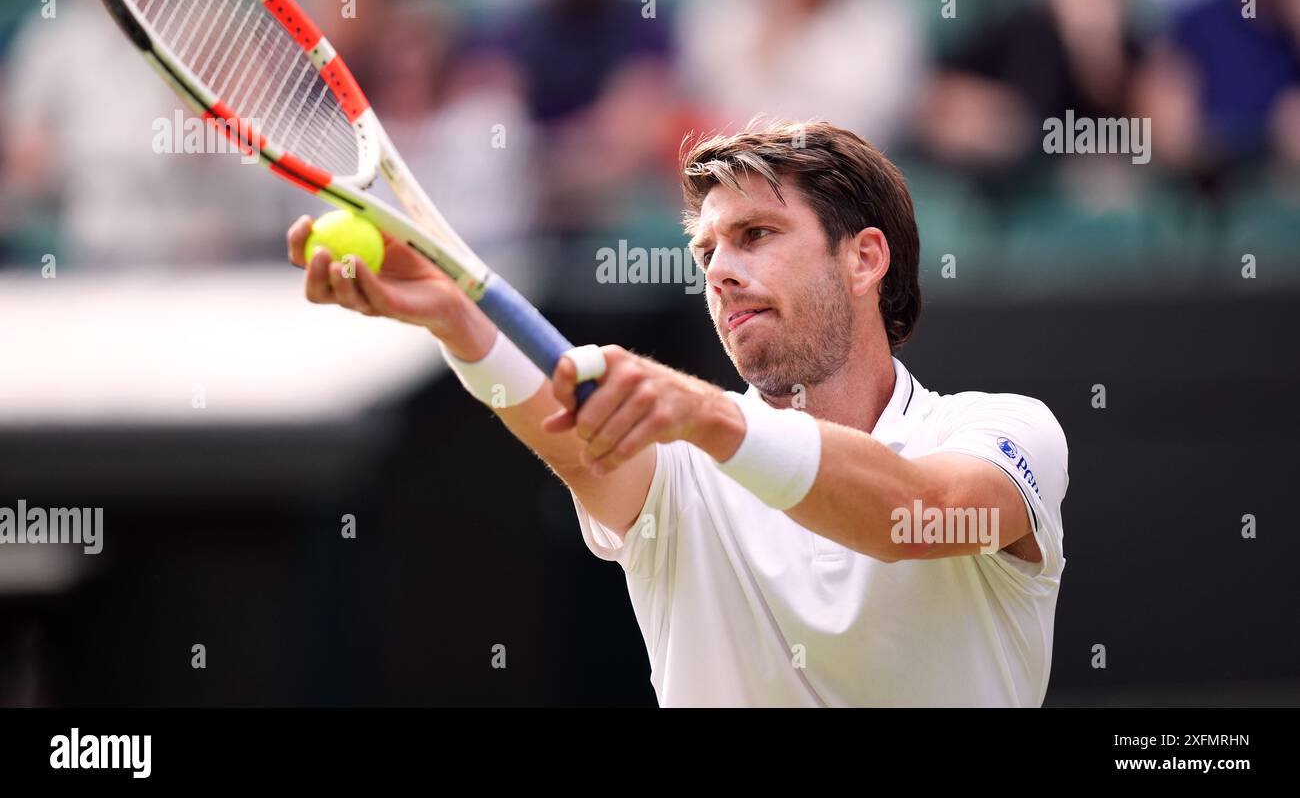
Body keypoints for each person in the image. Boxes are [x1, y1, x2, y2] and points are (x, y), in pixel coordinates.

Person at [286, 120, 1068, 706]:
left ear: (864, 257)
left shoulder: (1004, 430)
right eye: (707, 252)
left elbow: (914, 512)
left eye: (755, 234)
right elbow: (578, 447)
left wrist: (711, 417)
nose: (722, 271)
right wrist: (455, 322)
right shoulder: (680, 463)